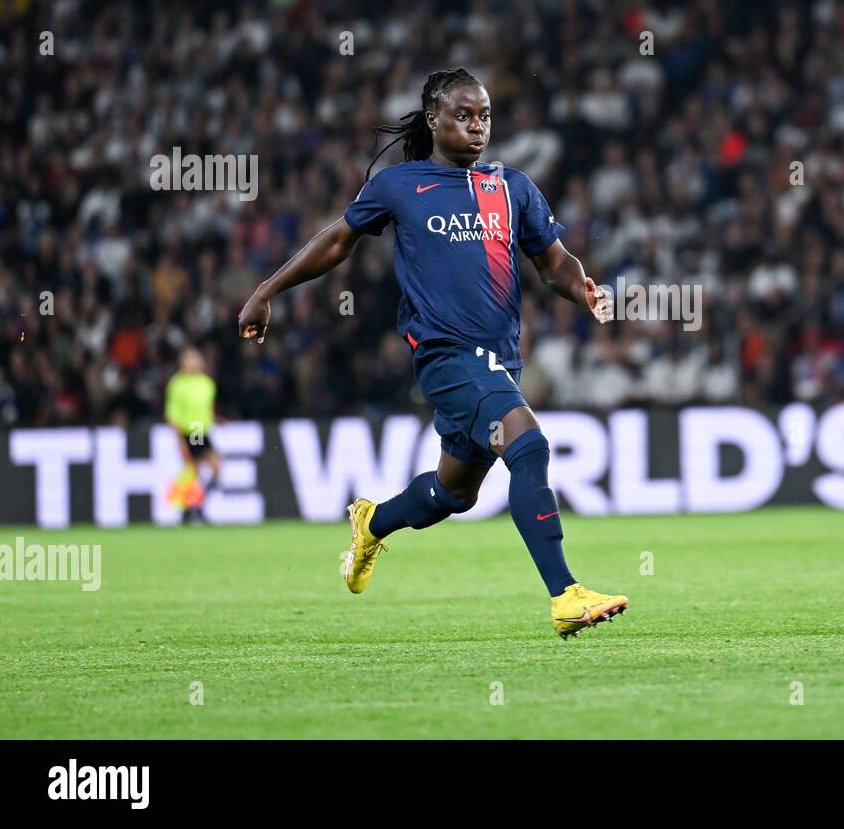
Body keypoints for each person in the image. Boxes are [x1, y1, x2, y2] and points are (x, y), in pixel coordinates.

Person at [236, 67, 627, 638]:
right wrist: (265, 291)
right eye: (464, 116)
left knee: (454, 493)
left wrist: (583, 286)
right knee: (530, 443)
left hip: (498, 361)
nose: (477, 127)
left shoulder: (512, 187)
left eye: (485, 116)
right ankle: (565, 595)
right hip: (446, 358)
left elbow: (554, 262)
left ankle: (373, 522)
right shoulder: (399, 185)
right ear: (434, 120)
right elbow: (335, 243)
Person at [164, 346, 220, 524]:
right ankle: (193, 508)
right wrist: (179, 439)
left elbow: (207, 410)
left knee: (199, 471)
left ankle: (191, 508)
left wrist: (219, 420)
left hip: (203, 431)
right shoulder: (178, 383)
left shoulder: (207, 383)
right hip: (192, 431)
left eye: (195, 358)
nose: (193, 362)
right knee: (208, 467)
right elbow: (173, 414)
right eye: (189, 359)